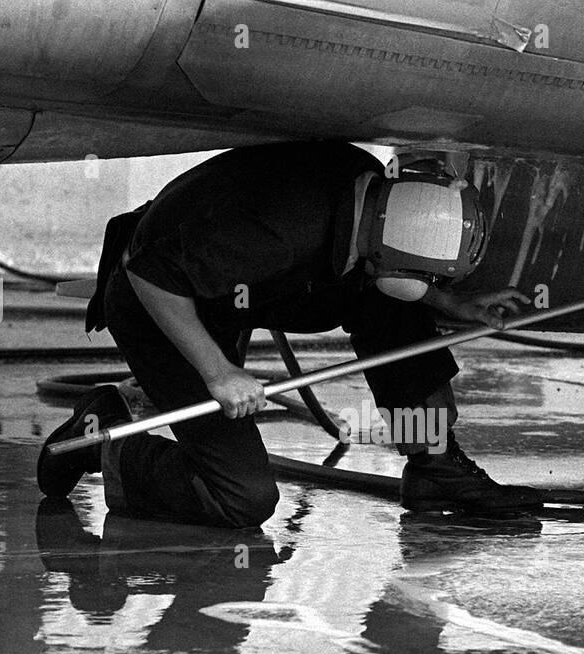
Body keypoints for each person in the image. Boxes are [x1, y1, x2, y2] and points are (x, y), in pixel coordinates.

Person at [37, 141, 542, 527]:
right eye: (426, 278)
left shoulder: (372, 194)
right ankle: (99, 441)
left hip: (240, 282)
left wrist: (448, 302)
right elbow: (151, 274)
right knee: (243, 498)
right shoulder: (277, 230)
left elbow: (383, 269)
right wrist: (219, 372)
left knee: (386, 302)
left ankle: (433, 465)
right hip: (157, 297)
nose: (427, 286)